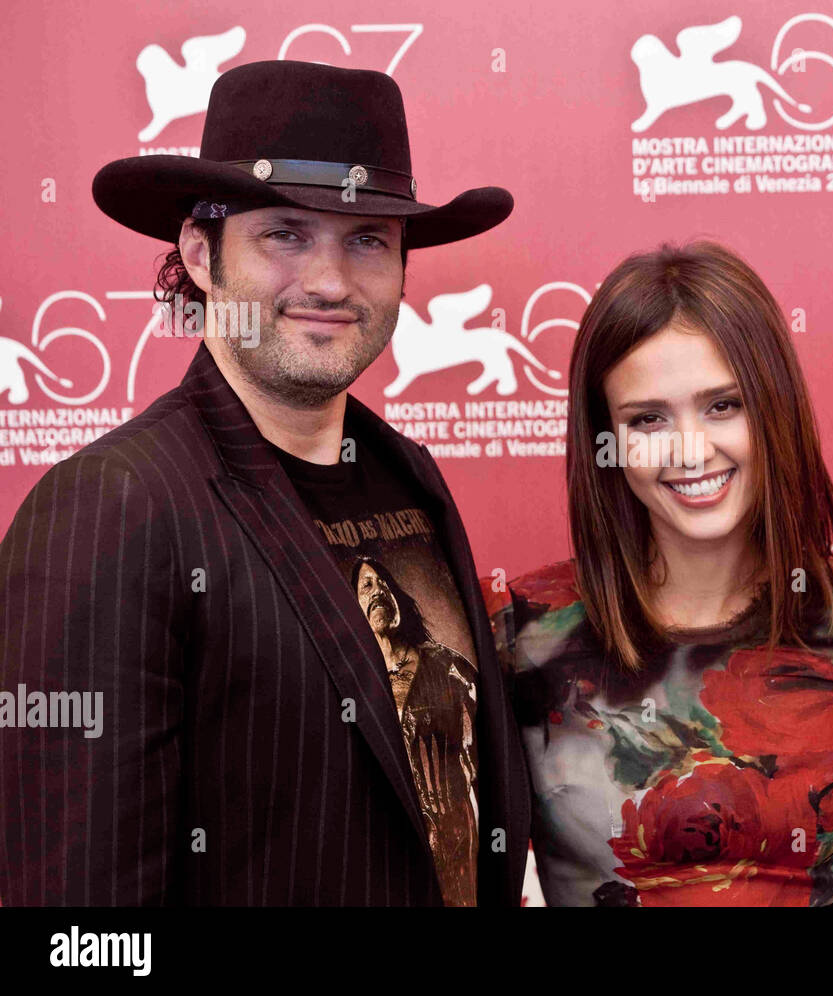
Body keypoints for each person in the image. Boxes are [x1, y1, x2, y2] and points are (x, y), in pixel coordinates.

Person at [0, 60, 528, 906]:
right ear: (201, 254)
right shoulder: (109, 507)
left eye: (367, 241)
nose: (329, 281)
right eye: (285, 234)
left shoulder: (409, 478)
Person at [480, 241, 833, 906]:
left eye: (723, 406)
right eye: (647, 418)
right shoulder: (520, 633)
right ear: (607, 442)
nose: (691, 450)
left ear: (776, 410)